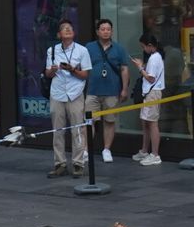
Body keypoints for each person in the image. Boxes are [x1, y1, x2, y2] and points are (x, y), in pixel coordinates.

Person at [85, 18, 134, 163]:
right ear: (97, 31)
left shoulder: (119, 49)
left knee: (110, 121)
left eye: (108, 29)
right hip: (92, 90)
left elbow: (124, 69)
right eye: (103, 29)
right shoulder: (89, 47)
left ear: (112, 31)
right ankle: (85, 150)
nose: (106, 32)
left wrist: (124, 89)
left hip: (112, 91)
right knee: (89, 121)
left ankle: (107, 149)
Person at [44, 20, 89, 177]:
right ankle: (60, 163)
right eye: (64, 28)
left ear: (74, 33)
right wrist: (53, 70)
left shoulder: (82, 51)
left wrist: (72, 69)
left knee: (77, 129)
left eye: (70, 28)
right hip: (57, 93)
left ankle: (78, 163)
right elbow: (47, 73)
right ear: (59, 34)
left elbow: (85, 75)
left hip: (75, 93)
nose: (68, 29)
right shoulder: (52, 51)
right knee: (58, 130)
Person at [134, 32, 166, 165]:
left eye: (143, 47)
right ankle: (145, 150)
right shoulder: (156, 57)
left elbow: (150, 77)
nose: (143, 49)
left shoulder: (154, 58)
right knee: (147, 122)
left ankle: (155, 154)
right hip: (151, 92)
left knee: (152, 123)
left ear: (150, 46)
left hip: (152, 93)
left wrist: (140, 68)